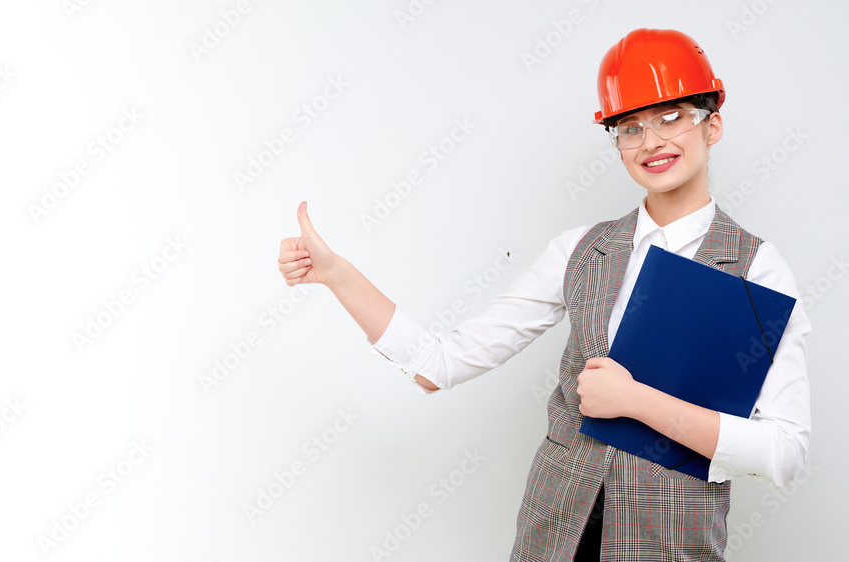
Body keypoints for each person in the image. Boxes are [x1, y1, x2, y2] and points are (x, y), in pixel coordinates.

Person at [276, 28, 810, 561]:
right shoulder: (580, 250)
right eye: (629, 127)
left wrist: (635, 403)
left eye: (671, 118)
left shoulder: (756, 269)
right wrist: (337, 275)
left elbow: (782, 452)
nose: (651, 142)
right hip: (553, 535)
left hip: (671, 544)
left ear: (711, 124)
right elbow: (437, 365)